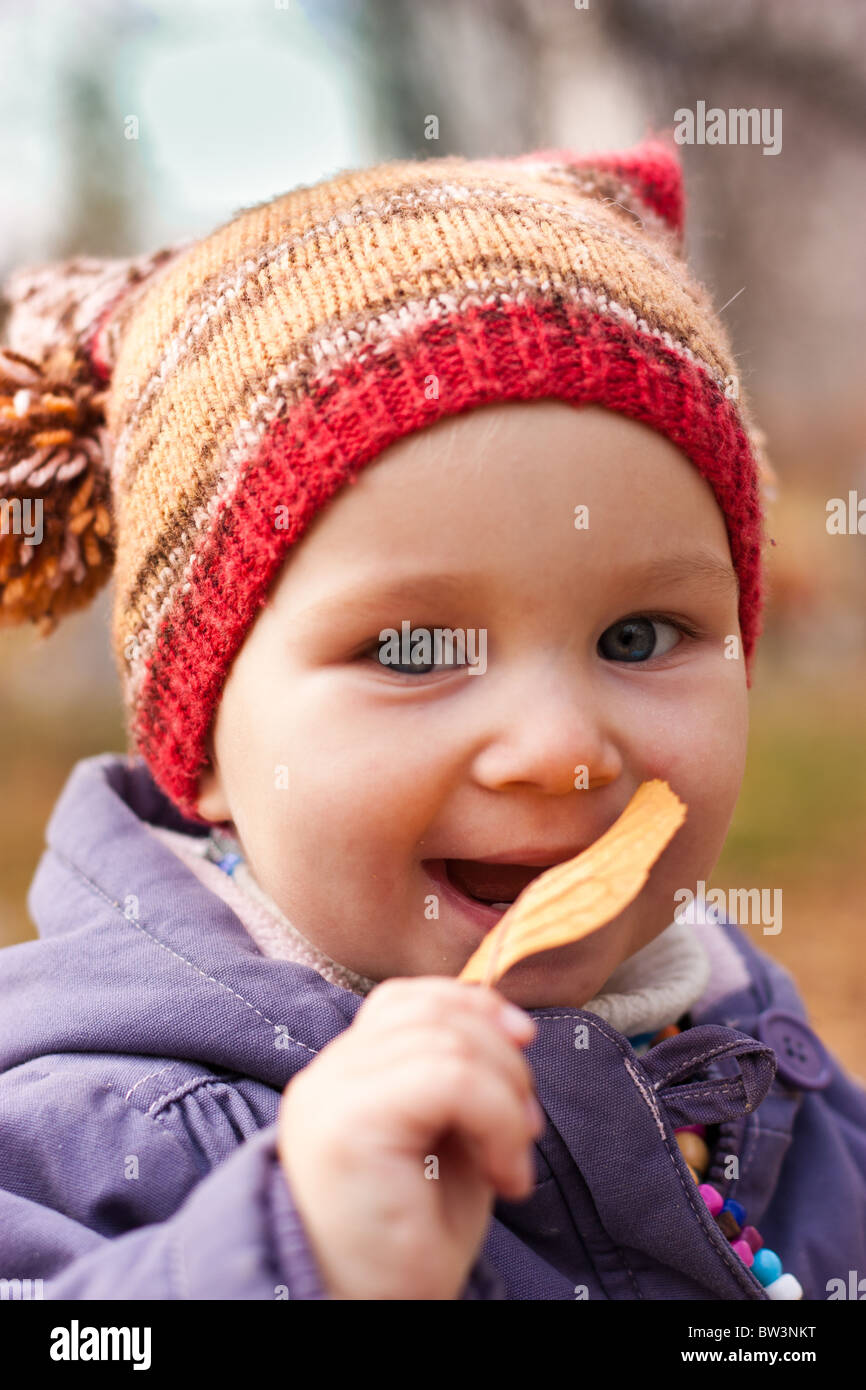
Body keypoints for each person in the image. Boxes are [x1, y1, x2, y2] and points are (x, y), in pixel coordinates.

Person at [0, 137, 863, 1301]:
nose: (559, 749)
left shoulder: (749, 1053)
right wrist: (297, 1257)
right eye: (413, 650)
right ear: (199, 744)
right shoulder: (102, 1129)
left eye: (638, 637)